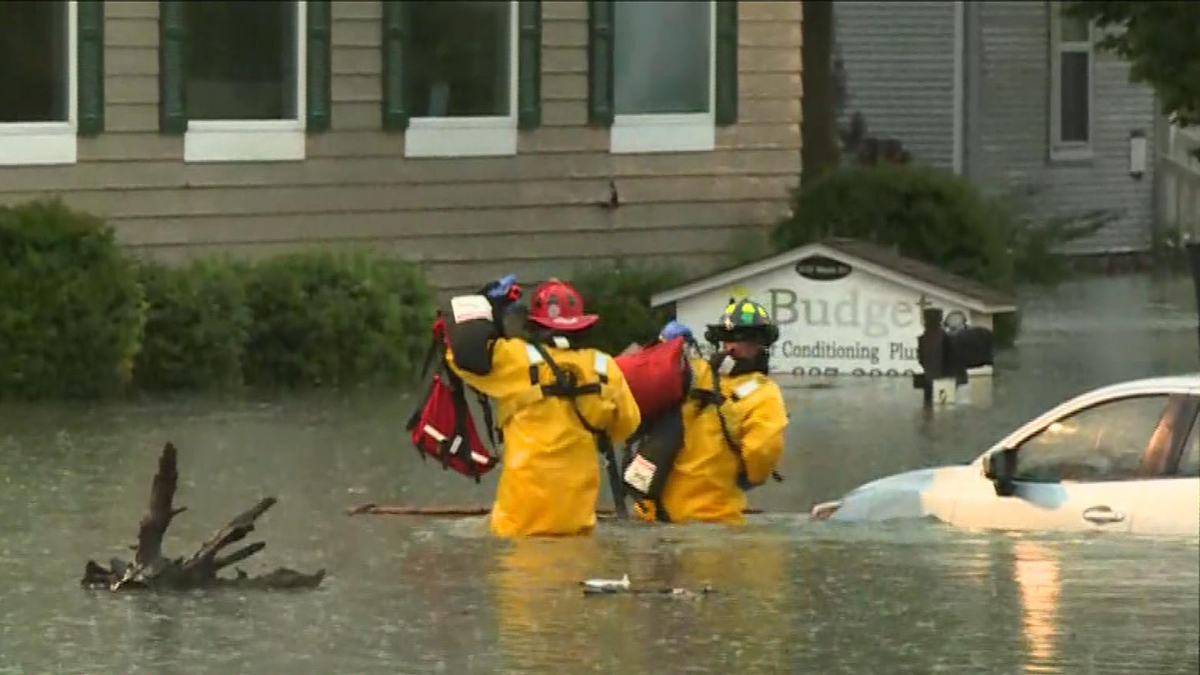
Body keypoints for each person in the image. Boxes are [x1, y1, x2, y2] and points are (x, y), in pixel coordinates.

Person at [442, 276, 642, 538]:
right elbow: (628, 424)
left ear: (535, 324)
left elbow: (457, 354)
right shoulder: (605, 367)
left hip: (520, 520)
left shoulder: (516, 358)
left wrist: (489, 306)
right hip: (576, 518)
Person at [629, 298, 789, 525]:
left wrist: (661, 348)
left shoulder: (693, 372)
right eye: (730, 339)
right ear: (762, 344)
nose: (732, 345)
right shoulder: (764, 393)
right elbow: (763, 450)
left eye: (739, 339)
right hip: (712, 518)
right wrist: (750, 476)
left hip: (652, 514)